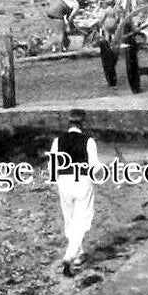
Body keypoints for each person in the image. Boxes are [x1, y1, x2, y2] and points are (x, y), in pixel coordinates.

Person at [49, 109, 100, 277]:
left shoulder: (58, 140)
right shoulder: (89, 141)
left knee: (69, 218)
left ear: (69, 123)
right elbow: (94, 166)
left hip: (64, 181)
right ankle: (70, 255)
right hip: (82, 180)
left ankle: (79, 253)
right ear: (83, 123)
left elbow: (52, 166)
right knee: (83, 218)